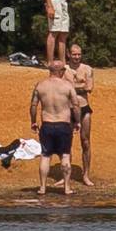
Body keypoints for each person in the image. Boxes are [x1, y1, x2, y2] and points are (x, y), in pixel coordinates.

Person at [30, 61, 82, 195]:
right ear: (61, 71)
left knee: (45, 156)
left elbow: (34, 105)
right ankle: (67, 188)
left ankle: (42, 188)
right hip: (63, 125)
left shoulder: (40, 85)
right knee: (65, 155)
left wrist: (33, 122)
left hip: (47, 124)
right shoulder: (67, 86)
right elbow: (76, 105)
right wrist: (77, 122)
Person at [64, 44, 95, 186]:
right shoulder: (63, 69)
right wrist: (81, 86)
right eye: (74, 54)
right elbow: (64, 89)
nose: (76, 57)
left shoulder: (87, 69)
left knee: (85, 141)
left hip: (84, 108)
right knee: (67, 143)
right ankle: (66, 176)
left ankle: (86, 175)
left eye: (79, 54)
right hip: (68, 109)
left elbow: (89, 88)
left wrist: (74, 87)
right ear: (68, 54)